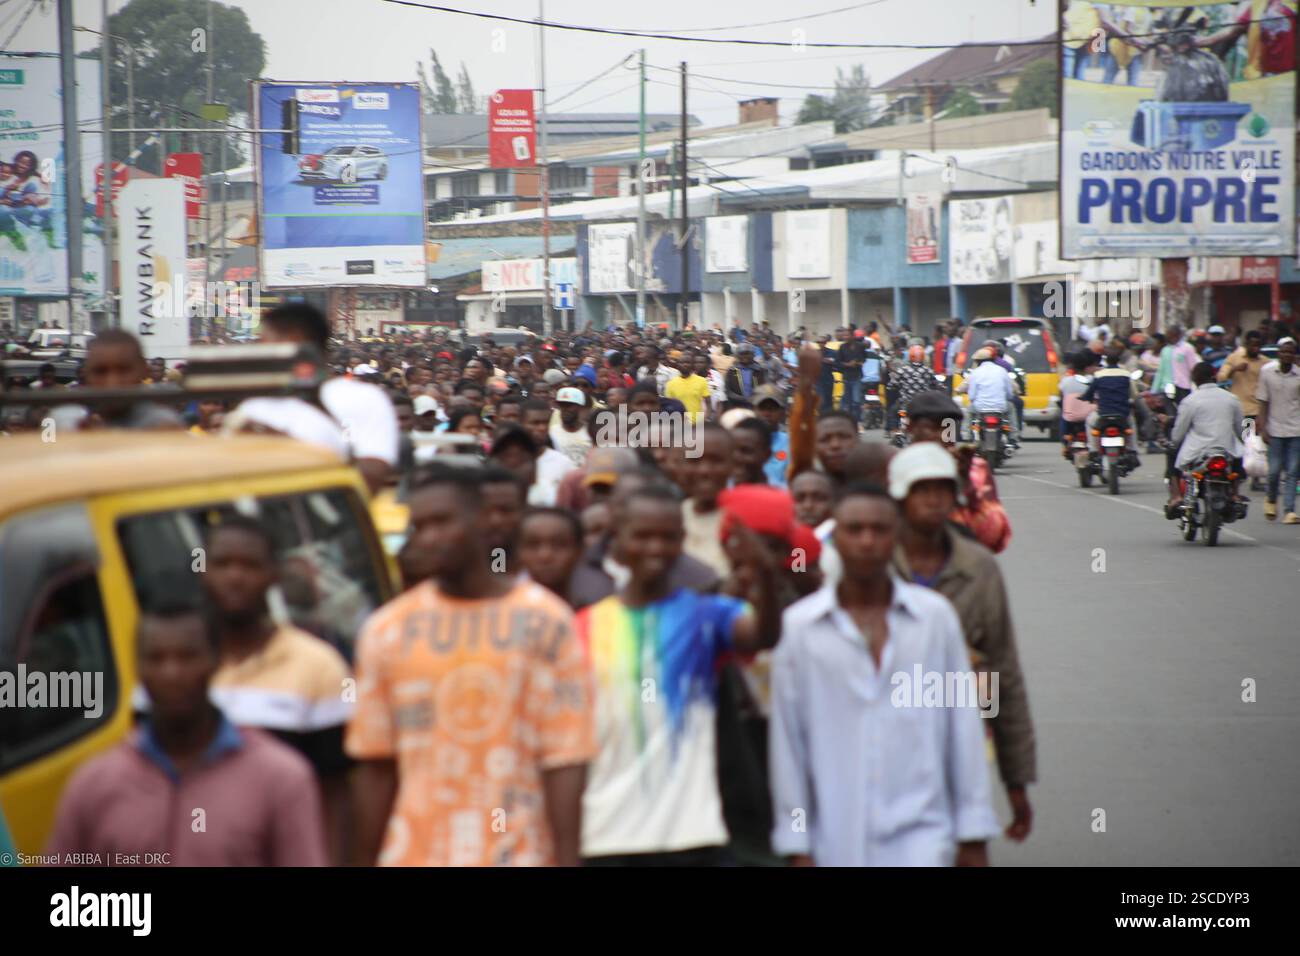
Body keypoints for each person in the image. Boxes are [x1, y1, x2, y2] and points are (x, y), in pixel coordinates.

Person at [347, 465, 595, 866]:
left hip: (519, 853)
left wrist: (567, 858)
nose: (430, 537)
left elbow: (564, 759)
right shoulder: (386, 630)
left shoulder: (546, 622)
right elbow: (376, 765)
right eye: (420, 526)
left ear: (482, 519)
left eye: (443, 522)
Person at [768, 482, 999, 866]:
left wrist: (972, 832)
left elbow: (962, 728)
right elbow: (789, 742)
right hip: (833, 839)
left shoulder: (934, 619)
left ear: (897, 538)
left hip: (925, 837)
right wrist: (797, 843)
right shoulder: (800, 627)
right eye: (854, 530)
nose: (867, 541)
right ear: (834, 538)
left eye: (880, 530)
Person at [576, 483, 780, 865]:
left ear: (682, 540)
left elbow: (763, 636)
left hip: (692, 835)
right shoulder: (585, 627)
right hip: (607, 835)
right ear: (616, 539)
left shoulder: (707, 615)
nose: (656, 548)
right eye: (643, 536)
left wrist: (766, 573)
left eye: (668, 537)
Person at [49, 597, 328, 866]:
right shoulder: (94, 785)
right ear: (138, 668)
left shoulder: (279, 779)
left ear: (216, 661)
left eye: (187, 657)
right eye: (156, 659)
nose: (171, 673)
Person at [889, 443, 1036, 841]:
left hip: (960, 726)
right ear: (899, 497)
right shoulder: (872, 563)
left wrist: (1016, 782)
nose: (933, 498)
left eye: (942, 488)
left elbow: (1003, 670)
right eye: (922, 489)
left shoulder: (979, 568)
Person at [258, 303, 399, 494]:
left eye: (266, 342)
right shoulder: (256, 406)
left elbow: (373, 474)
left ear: (295, 340)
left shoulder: (363, 398)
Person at [1166, 361, 1246, 514]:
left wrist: (1174, 442)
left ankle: (1176, 497)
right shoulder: (1232, 399)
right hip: (1227, 449)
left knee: (1171, 452)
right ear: (1214, 377)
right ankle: (1235, 494)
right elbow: (1242, 429)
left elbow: (1178, 434)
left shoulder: (1189, 401)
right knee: (1239, 453)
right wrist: (1245, 441)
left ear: (1194, 379)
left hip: (1197, 452)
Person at [78, 330, 185, 430]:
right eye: (100, 371)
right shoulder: (71, 423)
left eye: (123, 371)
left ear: (144, 370)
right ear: (86, 373)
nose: (112, 383)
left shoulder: (162, 427)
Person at [1255, 339, 1300, 524]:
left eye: (1290, 352)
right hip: (1274, 430)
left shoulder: (1298, 375)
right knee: (1273, 472)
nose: (1286, 355)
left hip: (1296, 430)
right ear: (1279, 353)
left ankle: (1289, 511)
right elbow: (1263, 402)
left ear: (1294, 355)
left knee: (1292, 472)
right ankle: (1271, 499)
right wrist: (1262, 426)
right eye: (1284, 352)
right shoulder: (1267, 373)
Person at [1082, 341, 1140, 460]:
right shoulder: (1126, 374)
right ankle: (1133, 449)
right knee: (1132, 423)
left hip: (1103, 413)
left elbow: (1089, 393)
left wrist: (1086, 398)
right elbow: (1134, 395)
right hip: (1122, 414)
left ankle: (1093, 449)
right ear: (1118, 360)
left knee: (1089, 421)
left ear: (1106, 361)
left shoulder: (1099, 375)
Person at [518, 507, 585, 605]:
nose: (545, 555)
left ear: (579, 551)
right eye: (533, 544)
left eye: (559, 544)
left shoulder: (597, 614)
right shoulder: (501, 610)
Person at [551, 386, 594, 467]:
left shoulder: (592, 433)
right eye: (561, 405)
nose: (564, 409)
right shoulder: (551, 433)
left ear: (580, 407)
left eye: (569, 405)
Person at [665, 353, 711, 423]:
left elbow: (708, 402)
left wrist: (706, 417)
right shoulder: (670, 384)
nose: (685, 365)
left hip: (698, 423)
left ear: (692, 365)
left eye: (688, 362)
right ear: (678, 365)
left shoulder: (702, 381)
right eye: (682, 362)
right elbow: (669, 405)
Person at [730, 417, 773, 486]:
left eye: (746, 451)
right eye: (731, 450)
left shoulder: (784, 494)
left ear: (767, 455)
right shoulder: (718, 493)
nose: (736, 457)